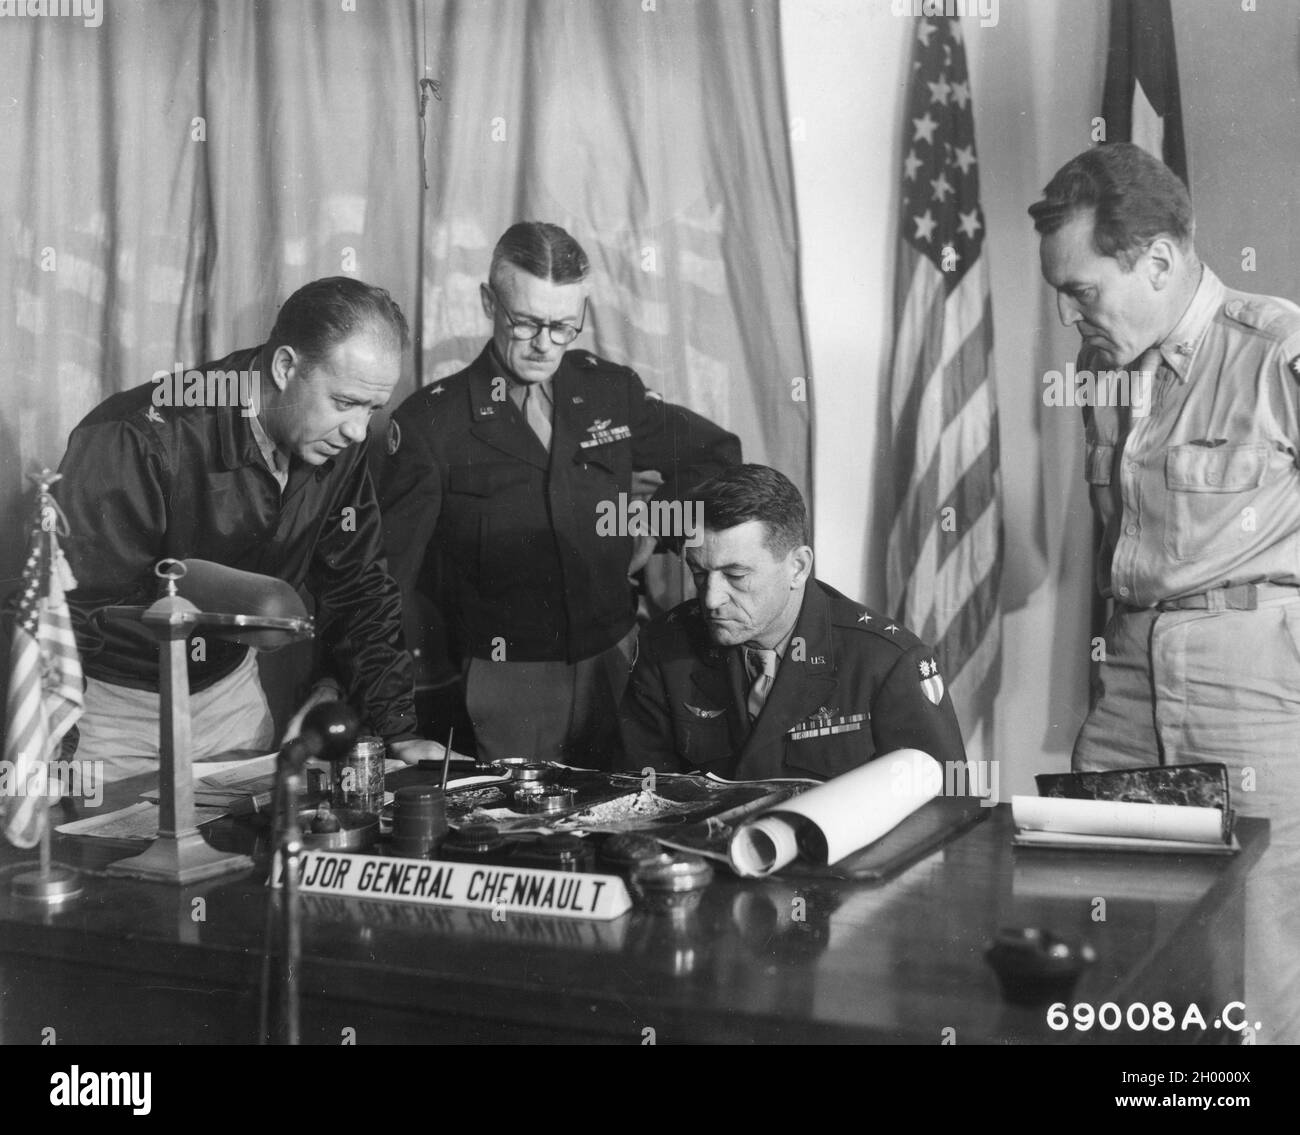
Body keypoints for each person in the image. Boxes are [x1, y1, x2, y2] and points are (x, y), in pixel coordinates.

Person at [1030, 141, 1300, 1043]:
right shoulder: (1107, 374)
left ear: (1156, 260)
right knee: (1105, 943)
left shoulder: (1276, 350)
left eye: (1082, 292)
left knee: (1252, 965)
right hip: (1128, 685)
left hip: (1249, 690)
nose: (1074, 319)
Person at [378, 222, 740, 767]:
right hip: (505, 680)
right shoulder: (433, 423)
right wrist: (388, 712)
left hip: (618, 658)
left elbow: (716, 455)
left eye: (564, 326)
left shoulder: (608, 390)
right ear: (487, 303)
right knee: (520, 836)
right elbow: (388, 580)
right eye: (525, 323)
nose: (545, 344)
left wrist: (651, 525)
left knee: (627, 816)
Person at [54, 276, 448, 776]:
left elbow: (360, 585)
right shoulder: (135, 435)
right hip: (111, 710)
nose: (356, 430)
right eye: (345, 402)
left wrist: (399, 730)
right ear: (285, 366)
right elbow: (68, 611)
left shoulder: (334, 440)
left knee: (246, 846)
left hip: (229, 698)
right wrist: (53, 745)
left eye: (372, 407)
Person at [617, 464, 965, 780]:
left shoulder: (886, 661)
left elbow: (944, 806)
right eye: (699, 573)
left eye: (736, 575)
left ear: (797, 567)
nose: (711, 599)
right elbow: (642, 796)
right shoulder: (665, 648)